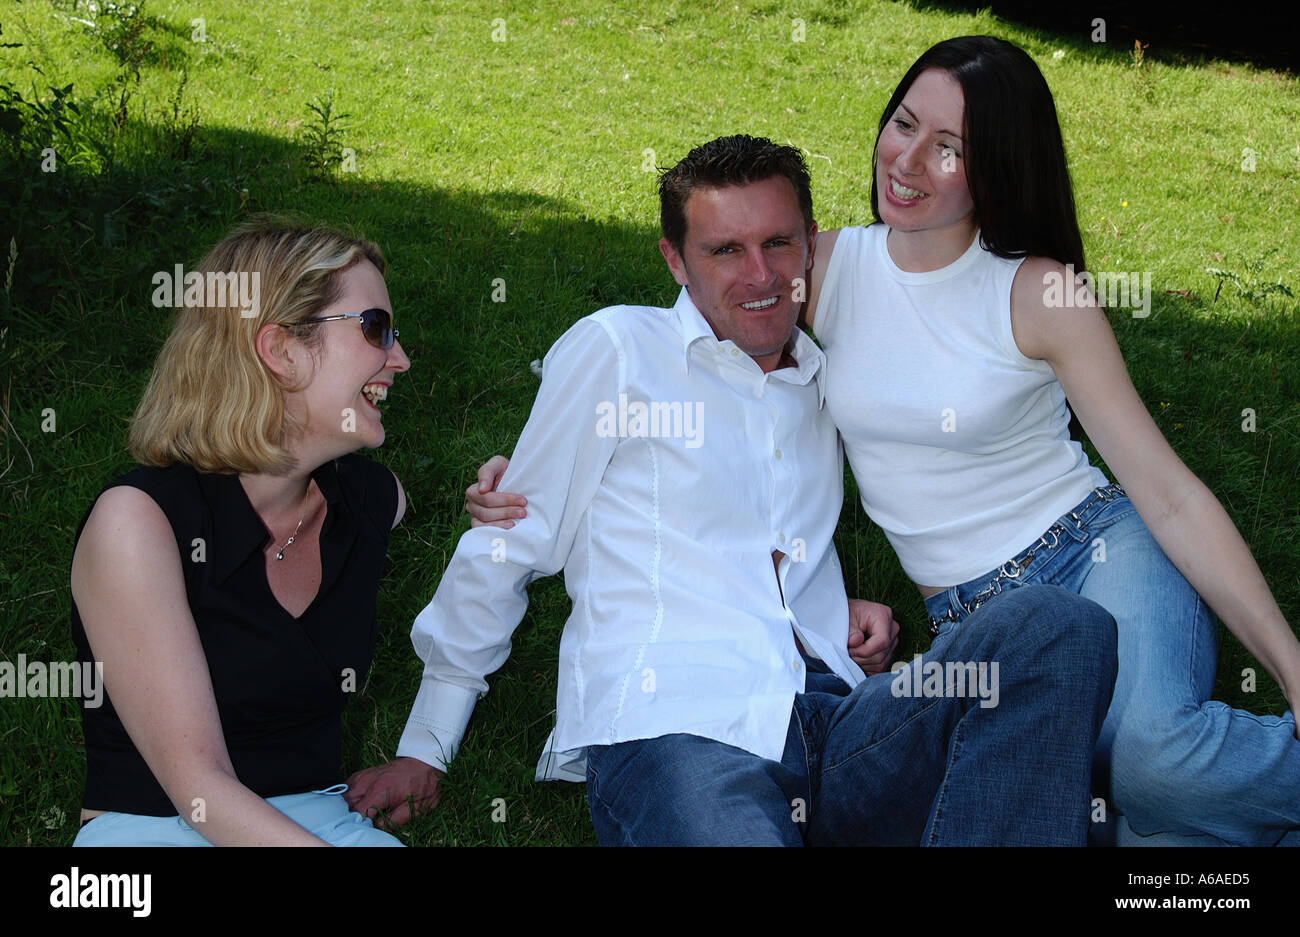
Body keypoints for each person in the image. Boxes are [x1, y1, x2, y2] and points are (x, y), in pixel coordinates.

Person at [475, 36, 1300, 847]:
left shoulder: (1041, 291)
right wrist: (558, 449)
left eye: (951, 149)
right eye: (905, 123)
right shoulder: (824, 271)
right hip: (976, 617)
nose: (908, 162)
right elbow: (701, 332)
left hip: (1096, 552)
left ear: (999, 168)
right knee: (1114, 808)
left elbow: (1171, 492)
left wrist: (1292, 668)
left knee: (1155, 763)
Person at [348, 135, 1119, 845]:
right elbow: (509, 535)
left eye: (779, 243)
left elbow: (758, 532)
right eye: (725, 250)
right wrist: (427, 743)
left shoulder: (825, 382)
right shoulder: (620, 349)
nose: (760, 276)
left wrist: (829, 612)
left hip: (842, 723)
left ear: (811, 246)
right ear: (675, 260)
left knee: (1057, 626)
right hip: (679, 731)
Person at [71, 218, 411, 846]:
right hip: (153, 831)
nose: (400, 358)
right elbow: (196, 787)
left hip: (320, 819)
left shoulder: (367, 500)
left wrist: (494, 494)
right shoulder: (139, 524)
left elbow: (456, 514)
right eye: (375, 329)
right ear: (279, 350)